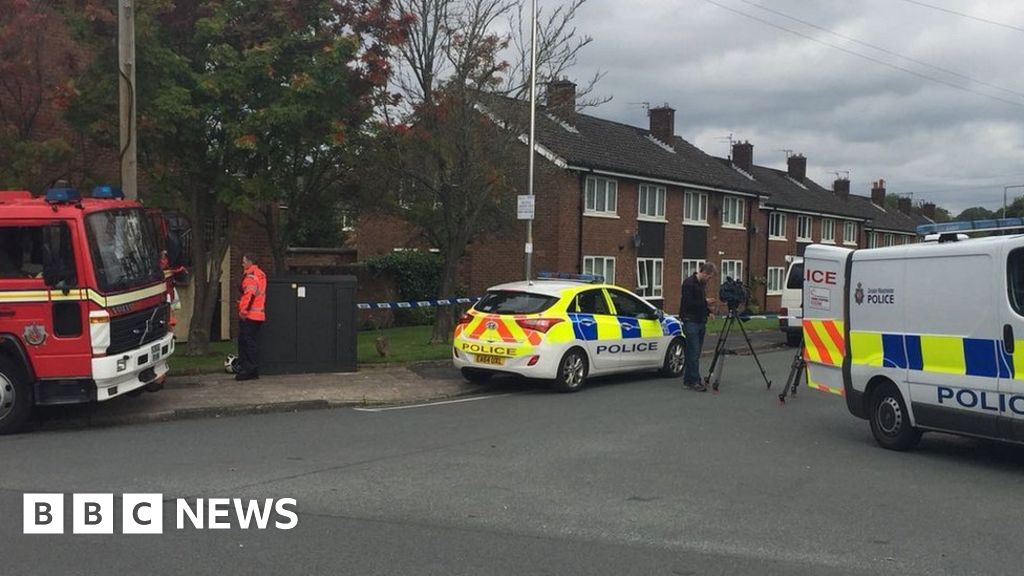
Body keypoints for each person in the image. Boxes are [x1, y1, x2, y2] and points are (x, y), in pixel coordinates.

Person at [679, 262, 717, 392]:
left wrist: (708, 311)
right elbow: (689, 303)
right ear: (704, 273)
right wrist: (705, 302)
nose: (709, 280)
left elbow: (700, 304)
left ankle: (688, 380)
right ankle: (695, 381)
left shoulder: (702, 285)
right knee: (693, 351)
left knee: (694, 353)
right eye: (709, 277)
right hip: (690, 321)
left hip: (700, 320)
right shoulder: (689, 283)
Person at [236, 254, 267, 381]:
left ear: (249, 262)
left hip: (250, 315)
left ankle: (248, 370)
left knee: (246, 342)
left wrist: (243, 311)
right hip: (258, 314)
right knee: (250, 342)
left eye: (244, 262)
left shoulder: (251, 277)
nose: (242, 264)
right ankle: (251, 369)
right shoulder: (260, 274)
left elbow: (249, 295)